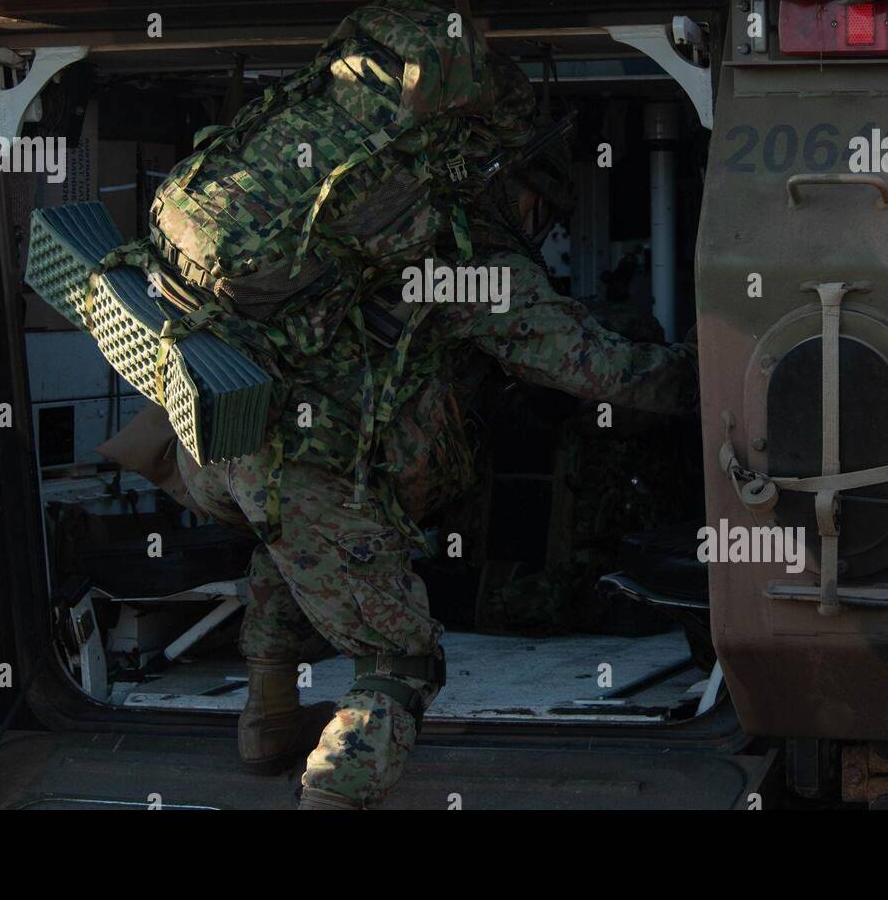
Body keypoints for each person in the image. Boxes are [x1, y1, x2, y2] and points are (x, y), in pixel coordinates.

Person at [176, 56, 699, 810]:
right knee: (401, 658)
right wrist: (704, 379)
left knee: (291, 541)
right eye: (541, 209)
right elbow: (594, 368)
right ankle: (331, 795)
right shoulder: (464, 251)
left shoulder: (358, 224)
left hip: (218, 443)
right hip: (311, 468)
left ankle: (267, 717)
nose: (540, 226)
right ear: (515, 191)